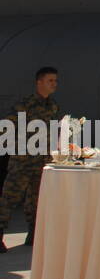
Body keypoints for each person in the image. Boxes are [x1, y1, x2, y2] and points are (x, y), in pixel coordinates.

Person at [0, 67, 61, 253]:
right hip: (23, 161)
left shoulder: (53, 106)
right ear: (39, 82)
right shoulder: (24, 105)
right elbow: (6, 126)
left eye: (55, 81)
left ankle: (34, 233)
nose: (54, 84)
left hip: (42, 160)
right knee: (9, 198)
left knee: (37, 199)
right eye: (50, 80)